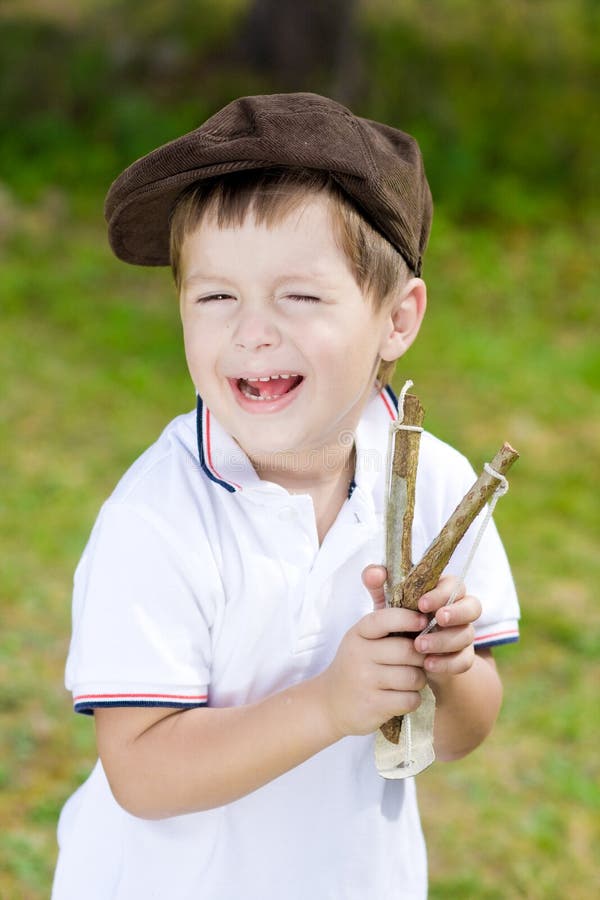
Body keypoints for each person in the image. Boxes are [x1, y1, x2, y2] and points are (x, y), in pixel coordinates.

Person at [52, 93, 519, 899]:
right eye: (215, 296)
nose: (251, 331)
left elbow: (457, 738)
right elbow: (141, 772)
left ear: (398, 319)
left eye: (299, 296)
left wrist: (453, 673)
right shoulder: (158, 517)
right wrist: (326, 705)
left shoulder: (437, 482)